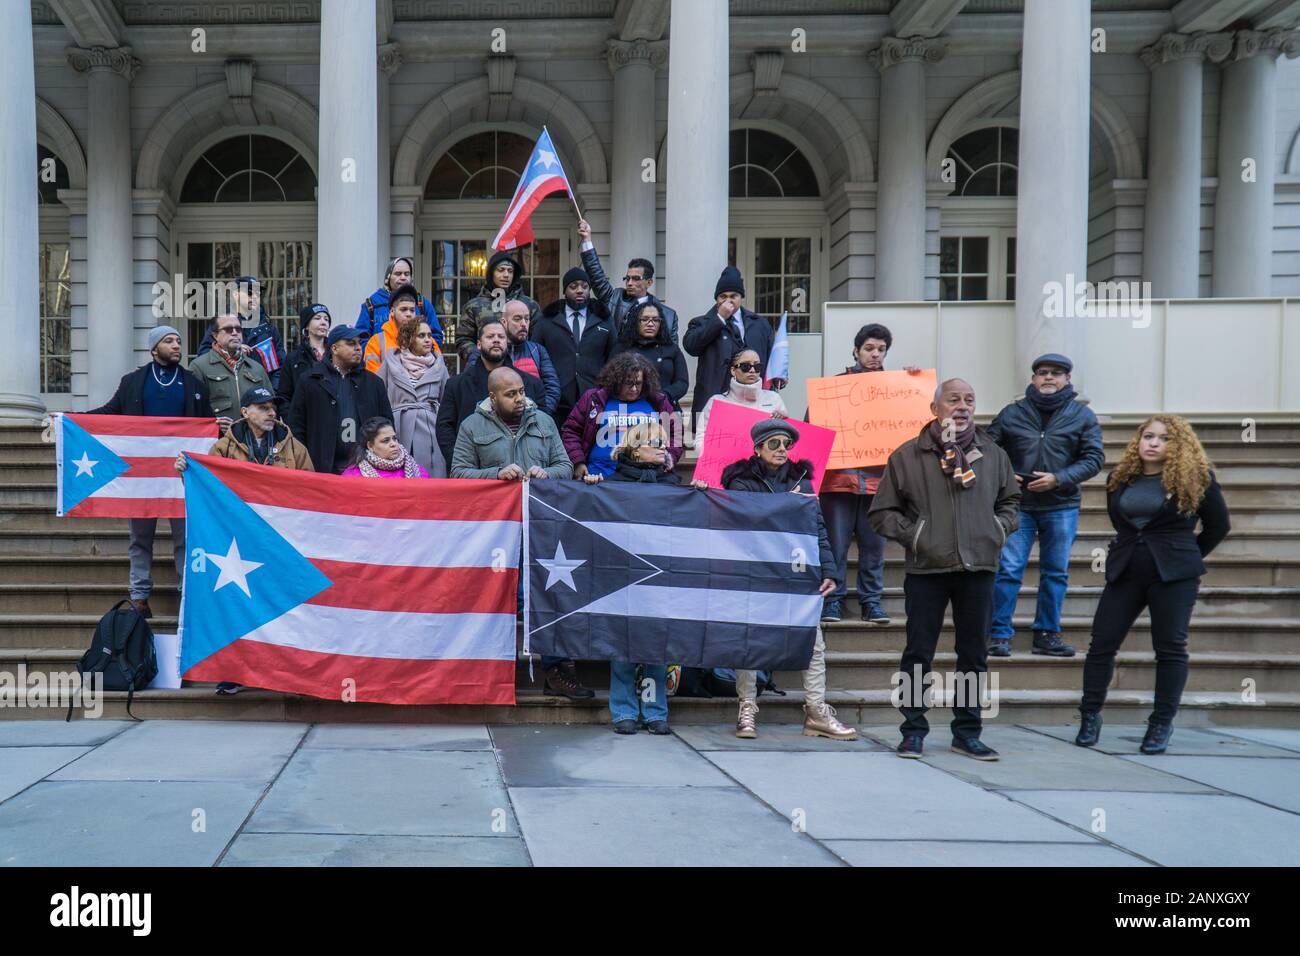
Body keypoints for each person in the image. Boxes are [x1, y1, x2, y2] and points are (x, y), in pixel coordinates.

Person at [869, 378, 1020, 761]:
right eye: (954, 399)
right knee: (918, 652)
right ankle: (913, 730)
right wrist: (918, 537)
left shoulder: (993, 454)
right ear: (935, 408)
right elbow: (882, 512)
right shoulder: (907, 456)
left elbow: (1011, 503)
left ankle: (967, 732)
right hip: (927, 569)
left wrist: (996, 529)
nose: (963, 406)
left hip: (979, 567)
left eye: (970, 399)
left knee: (974, 654)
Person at [1076, 416, 1230, 755]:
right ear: (1138, 440)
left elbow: (1218, 526)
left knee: (1170, 648)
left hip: (1174, 574)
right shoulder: (1120, 479)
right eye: (1148, 436)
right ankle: (1089, 716)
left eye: (1163, 438)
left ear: (1178, 446)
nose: (1153, 443)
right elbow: (1122, 524)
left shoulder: (1197, 478)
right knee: (1101, 643)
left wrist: (1184, 555)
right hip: (1127, 570)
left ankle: (1160, 723)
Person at [449, 367, 588, 701]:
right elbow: (458, 472)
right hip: (493, 531)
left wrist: (546, 473)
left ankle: (556, 672)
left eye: (522, 391)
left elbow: (565, 467)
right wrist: (495, 473)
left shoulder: (544, 422)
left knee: (545, 595)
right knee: (494, 598)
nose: (520, 398)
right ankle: (492, 673)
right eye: (511, 394)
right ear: (493, 397)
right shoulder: (471, 426)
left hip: (538, 527)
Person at [721, 419, 856, 741]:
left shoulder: (802, 481)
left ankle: (816, 710)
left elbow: (818, 528)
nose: (782, 450)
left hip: (796, 573)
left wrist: (830, 571)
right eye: (774, 444)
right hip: (755, 573)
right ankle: (747, 707)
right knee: (747, 641)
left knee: (814, 642)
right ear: (757, 448)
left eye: (786, 444)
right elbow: (746, 519)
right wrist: (788, 505)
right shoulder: (739, 480)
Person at [986, 353, 1105, 658]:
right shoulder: (1011, 413)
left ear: (1068, 380)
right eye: (1042, 373)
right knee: (1009, 569)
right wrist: (1003, 474)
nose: (1048, 378)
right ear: (1033, 380)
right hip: (1019, 505)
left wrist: (1059, 478)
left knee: (1055, 572)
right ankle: (999, 634)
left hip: (1061, 505)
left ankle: (1047, 634)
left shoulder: (1082, 416)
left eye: (1056, 373)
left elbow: (1094, 459)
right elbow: (986, 448)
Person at [89, 325, 212, 618]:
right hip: (142, 476)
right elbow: (109, 413)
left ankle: (187, 592)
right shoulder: (133, 382)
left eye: (179, 341)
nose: (176, 346)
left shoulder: (193, 383)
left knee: (185, 538)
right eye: (169, 341)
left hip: (181, 474)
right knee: (140, 538)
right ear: (153, 348)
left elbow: (206, 422)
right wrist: (71, 418)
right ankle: (140, 596)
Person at [818, 323, 923, 626]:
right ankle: (833, 602)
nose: (875, 354)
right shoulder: (834, 388)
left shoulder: (899, 388)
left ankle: (871, 603)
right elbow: (813, 429)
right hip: (838, 481)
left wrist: (913, 385)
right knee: (835, 546)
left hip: (880, 484)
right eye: (869, 348)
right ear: (856, 351)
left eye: (881, 349)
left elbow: (916, 427)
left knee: (874, 546)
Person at [580, 421, 681, 734]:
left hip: (658, 577)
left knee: (655, 646)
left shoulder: (672, 483)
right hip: (622, 577)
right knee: (621, 645)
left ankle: (654, 711)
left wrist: (699, 493)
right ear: (635, 449)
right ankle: (623, 710)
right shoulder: (612, 484)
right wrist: (593, 488)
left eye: (664, 442)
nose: (663, 448)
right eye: (655, 442)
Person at [435, 319, 545, 467]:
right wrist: (460, 462)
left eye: (501, 337)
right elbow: (444, 428)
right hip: (471, 473)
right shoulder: (456, 385)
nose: (496, 340)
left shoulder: (531, 384)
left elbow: (542, 427)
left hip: (520, 470)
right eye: (490, 336)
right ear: (479, 345)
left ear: (507, 343)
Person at [683, 265, 781, 428]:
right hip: (715, 398)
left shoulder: (760, 324)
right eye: (723, 296)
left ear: (741, 297)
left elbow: (771, 357)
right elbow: (691, 346)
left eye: (733, 295)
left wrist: (778, 376)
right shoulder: (701, 322)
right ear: (716, 299)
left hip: (752, 400)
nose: (728, 300)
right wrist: (720, 318)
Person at [289, 324, 394, 474]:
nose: (358, 348)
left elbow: (387, 424)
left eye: (359, 343)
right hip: (320, 468)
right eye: (351, 343)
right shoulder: (310, 380)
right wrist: (305, 462)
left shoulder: (374, 383)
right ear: (334, 349)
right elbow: (297, 425)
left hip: (366, 469)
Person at [561, 352, 683, 481]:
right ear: (617, 380)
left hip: (646, 478)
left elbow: (676, 433)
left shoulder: (657, 401)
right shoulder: (595, 399)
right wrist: (578, 462)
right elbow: (571, 431)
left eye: (639, 383)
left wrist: (668, 457)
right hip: (598, 476)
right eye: (629, 383)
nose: (634, 389)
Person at [529, 266, 618, 424]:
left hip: (594, 397)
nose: (579, 290)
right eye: (573, 286)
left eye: (584, 287)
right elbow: (534, 357)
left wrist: (605, 388)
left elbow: (614, 357)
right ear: (564, 290)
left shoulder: (604, 319)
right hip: (557, 400)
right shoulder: (547, 320)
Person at [576, 218, 679, 341]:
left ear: (649, 282)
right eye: (627, 278)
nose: (629, 283)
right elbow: (596, 275)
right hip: (617, 359)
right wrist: (587, 240)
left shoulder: (668, 315)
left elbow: (671, 353)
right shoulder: (614, 298)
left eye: (636, 279)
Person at [374, 317, 449, 478]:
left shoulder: (439, 365)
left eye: (429, 335)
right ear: (408, 339)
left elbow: (446, 403)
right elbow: (377, 395)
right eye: (421, 336)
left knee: (430, 481)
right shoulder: (390, 362)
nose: (428, 340)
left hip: (431, 432)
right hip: (398, 429)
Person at [175, 385, 313, 473]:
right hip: (239, 518)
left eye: (273, 408)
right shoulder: (223, 447)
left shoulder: (294, 447)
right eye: (263, 408)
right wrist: (187, 471)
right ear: (245, 412)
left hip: (279, 517)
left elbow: (310, 487)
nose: (272, 413)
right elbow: (208, 485)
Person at [195, 276, 286, 388]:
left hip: (261, 393)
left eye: (258, 294)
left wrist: (273, 391)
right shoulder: (222, 322)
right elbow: (204, 354)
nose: (254, 297)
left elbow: (281, 365)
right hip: (229, 389)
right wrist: (229, 349)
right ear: (235, 295)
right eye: (249, 292)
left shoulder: (269, 328)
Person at [189, 313, 273, 432]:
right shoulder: (199, 367)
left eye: (238, 329)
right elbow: (193, 411)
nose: (235, 333)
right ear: (215, 335)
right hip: (217, 441)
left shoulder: (256, 368)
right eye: (228, 329)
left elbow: (270, 405)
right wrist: (213, 425)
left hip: (252, 440)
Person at [457, 250, 540, 364]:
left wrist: (526, 357)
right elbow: (463, 339)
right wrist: (479, 357)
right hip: (484, 368)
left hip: (522, 366)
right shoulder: (474, 305)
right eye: (501, 270)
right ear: (491, 273)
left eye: (510, 271)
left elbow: (538, 339)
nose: (506, 275)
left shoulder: (529, 305)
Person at [693, 348, 787, 450]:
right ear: (733, 370)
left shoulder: (773, 398)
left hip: (765, 464)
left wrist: (782, 421)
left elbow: (787, 438)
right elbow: (701, 438)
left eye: (757, 366)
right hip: (725, 463)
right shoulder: (716, 402)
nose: (752, 370)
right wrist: (711, 457)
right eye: (745, 366)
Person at [612, 300, 689, 409]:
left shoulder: (671, 349)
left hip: (665, 407)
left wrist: (664, 395)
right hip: (629, 409)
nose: (651, 323)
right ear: (635, 321)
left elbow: (682, 382)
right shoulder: (622, 348)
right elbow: (611, 380)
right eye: (645, 319)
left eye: (655, 320)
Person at [356, 256, 443, 350]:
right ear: (388, 277)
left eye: (407, 274)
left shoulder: (422, 303)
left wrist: (423, 357)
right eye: (398, 274)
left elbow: (436, 336)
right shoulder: (371, 304)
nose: (403, 277)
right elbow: (360, 339)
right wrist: (376, 354)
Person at [499, 299, 560, 415]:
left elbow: (552, 387)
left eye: (526, 319)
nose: (523, 324)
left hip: (534, 420)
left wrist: (541, 415)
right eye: (517, 319)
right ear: (503, 322)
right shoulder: (491, 351)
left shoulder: (537, 350)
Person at [364, 283, 434, 374]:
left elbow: (438, 370)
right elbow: (373, 378)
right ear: (392, 311)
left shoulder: (427, 338)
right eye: (403, 309)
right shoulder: (376, 342)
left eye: (412, 310)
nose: (409, 314)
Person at [276, 303, 331, 412]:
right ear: (306, 325)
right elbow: (284, 396)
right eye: (317, 318)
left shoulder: (335, 354)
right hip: (304, 421)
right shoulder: (293, 359)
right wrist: (292, 421)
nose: (323, 322)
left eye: (326, 319)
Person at [341, 417, 431, 479]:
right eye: (386, 440)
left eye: (395, 439)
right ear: (370, 446)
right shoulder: (353, 476)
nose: (394, 444)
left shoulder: (417, 471)